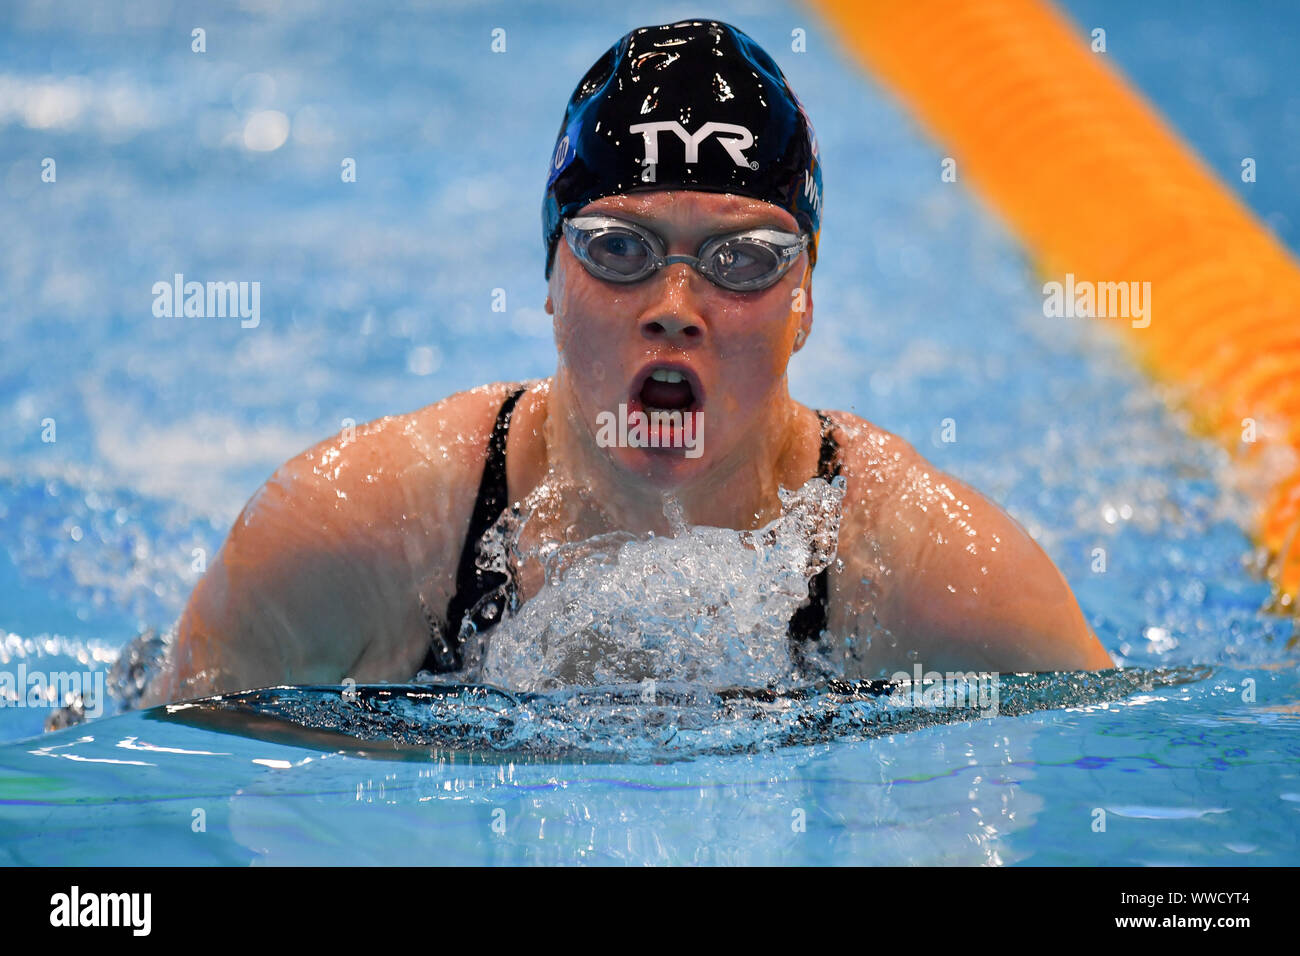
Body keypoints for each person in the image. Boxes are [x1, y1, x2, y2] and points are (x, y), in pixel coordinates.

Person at [142, 19, 1110, 706]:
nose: (674, 310)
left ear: (804, 295)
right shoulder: (358, 534)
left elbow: (1161, 803)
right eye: (618, 250)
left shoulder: (932, 573)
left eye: (742, 260)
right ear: (551, 277)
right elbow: (142, 800)